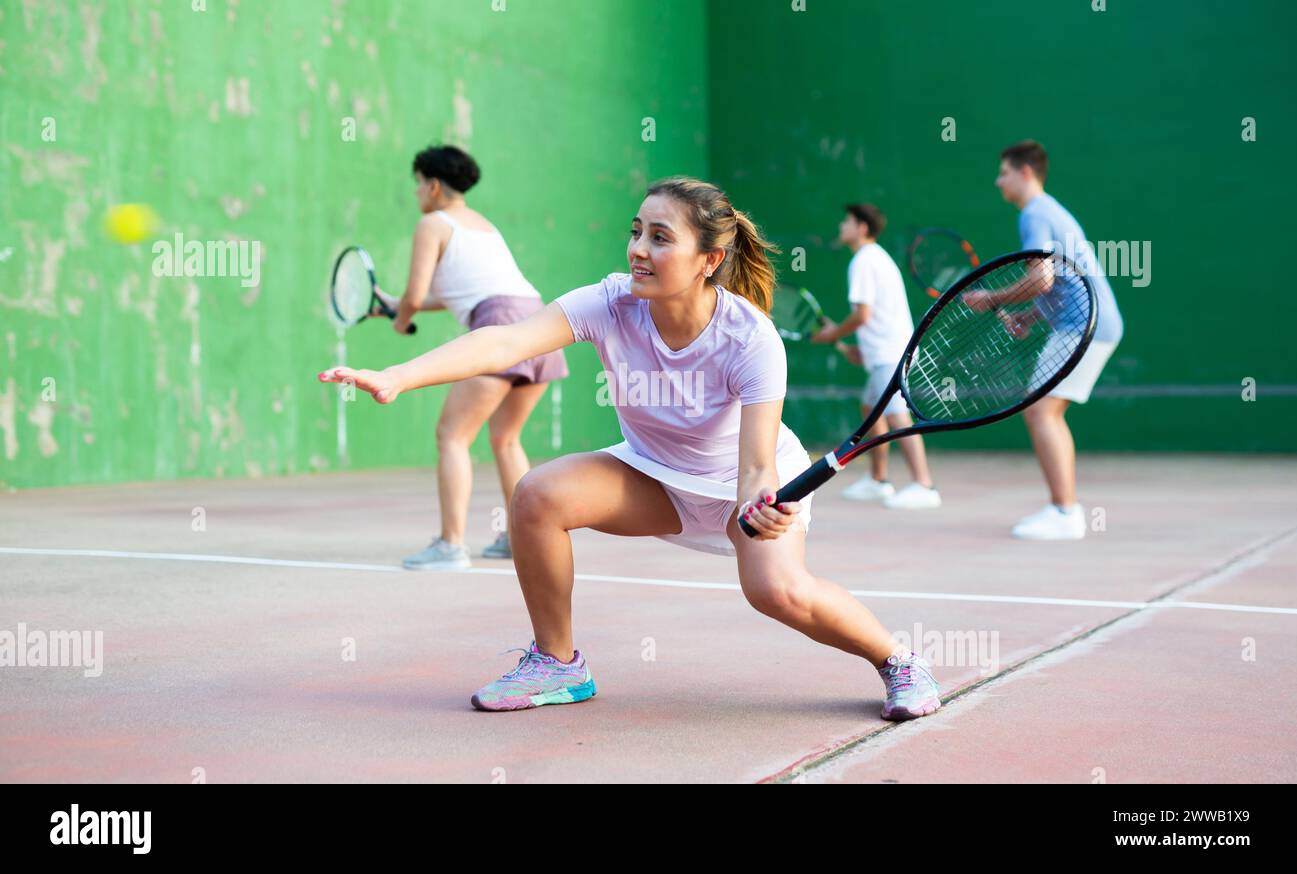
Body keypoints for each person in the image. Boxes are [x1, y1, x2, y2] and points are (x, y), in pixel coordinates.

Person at [319, 176, 942, 720]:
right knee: (538, 495)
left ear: (709, 259)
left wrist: (762, 503)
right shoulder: (613, 302)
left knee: (779, 594)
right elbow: (505, 343)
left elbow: (755, 464)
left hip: (741, 489)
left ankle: (898, 660)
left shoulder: (750, 339)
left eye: (661, 238)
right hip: (655, 477)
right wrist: (400, 375)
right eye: (637, 231)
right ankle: (558, 664)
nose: (639, 249)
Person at [379, 145, 567, 568]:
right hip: (538, 324)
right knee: (506, 438)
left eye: (417, 186)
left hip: (498, 325)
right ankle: (522, 538)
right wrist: (395, 305)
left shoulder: (432, 224)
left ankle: (450, 545)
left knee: (452, 435)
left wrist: (399, 317)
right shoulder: (483, 226)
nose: (416, 195)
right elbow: (454, 294)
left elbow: (415, 294)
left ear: (431, 185)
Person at [981, 141, 1124, 540]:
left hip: (1084, 326)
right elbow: (1059, 280)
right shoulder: (1052, 211)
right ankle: (1064, 509)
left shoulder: (1034, 214)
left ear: (1025, 173)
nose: (998, 181)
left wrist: (991, 298)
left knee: (1041, 412)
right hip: (1087, 322)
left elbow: (1041, 279)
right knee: (1045, 411)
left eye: (1003, 172)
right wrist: (1029, 315)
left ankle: (1065, 512)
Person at [812, 204, 939, 509]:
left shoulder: (864, 261)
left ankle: (924, 485)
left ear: (862, 228)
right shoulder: (875, 258)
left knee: (897, 416)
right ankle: (879, 480)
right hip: (886, 350)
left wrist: (834, 334)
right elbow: (876, 315)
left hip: (890, 354)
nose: (842, 226)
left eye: (847, 222)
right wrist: (861, 349)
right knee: (871, 407)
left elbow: (862, 314)